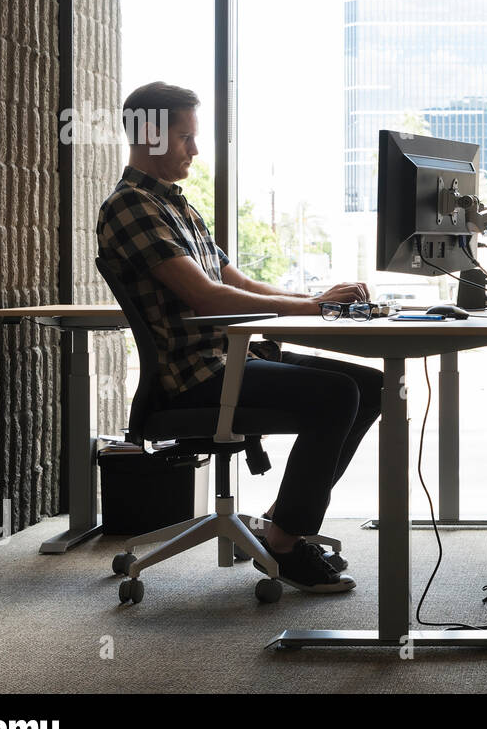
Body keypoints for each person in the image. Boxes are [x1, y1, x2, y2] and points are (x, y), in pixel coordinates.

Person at [97, 81, 382, 594]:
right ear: (149, 137)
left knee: (372, 384)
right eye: (186, 138)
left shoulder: (178, 207)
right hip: (195, 378)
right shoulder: (130, 207)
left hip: (230, 362)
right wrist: (315, 307)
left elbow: (242, 285)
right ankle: (288, 542)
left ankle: (281, 522)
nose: (196, 150)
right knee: (338, 394)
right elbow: (207, 298)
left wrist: (318, 299)